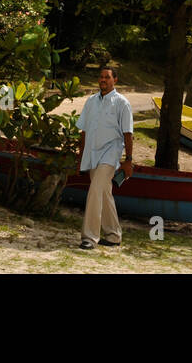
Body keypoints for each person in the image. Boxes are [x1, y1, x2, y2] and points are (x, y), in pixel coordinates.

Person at [76, 65, 134, 249]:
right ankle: (113, 235)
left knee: (95, 190)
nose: (103, 80)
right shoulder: (91, 101)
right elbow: (83, 131)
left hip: (111, 154)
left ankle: (89, 237)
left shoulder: (122, 103)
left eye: (107, 77)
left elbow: (128, 134)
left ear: (114, 80)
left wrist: (128, 160)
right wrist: (80, 157)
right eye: (101, 77)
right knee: (104, 192)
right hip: (92, 154)